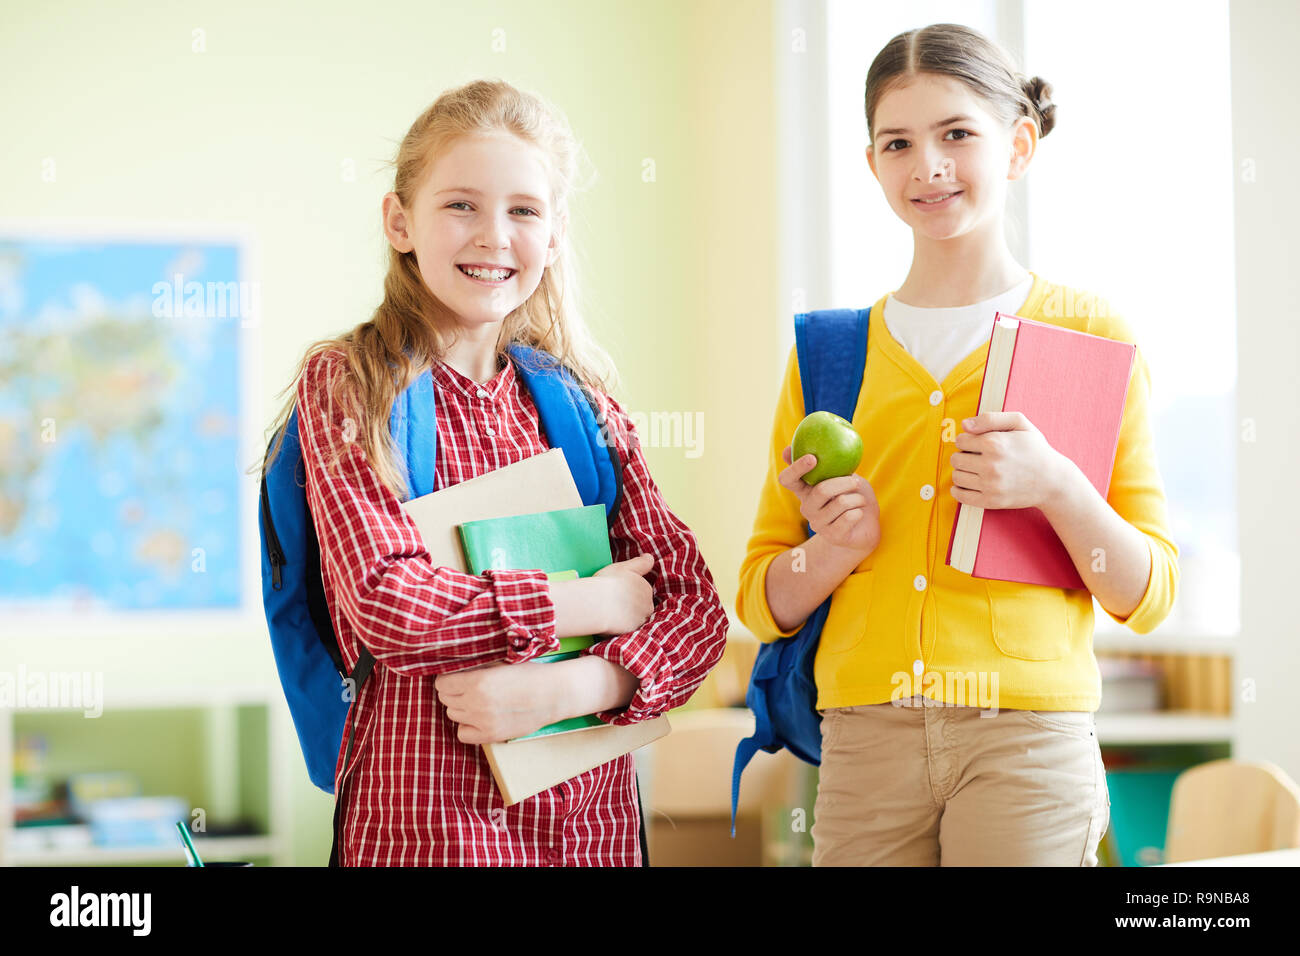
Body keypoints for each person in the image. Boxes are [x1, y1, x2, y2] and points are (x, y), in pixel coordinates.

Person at [736, 23, 1179, 866]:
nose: (927, 166)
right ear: (872, 164)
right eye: (897, 142)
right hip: (861, 740)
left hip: (1028, 743)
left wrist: (1055, 483)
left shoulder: (1088, 335)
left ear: (1016, 146)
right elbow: (762, 597)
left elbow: (1148, 593)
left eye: (956, 135)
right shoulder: (829, 353)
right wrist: (832, 551)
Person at [260, 79, 728, 866]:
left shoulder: (581, 408)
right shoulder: (351, 384)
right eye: (460, 206)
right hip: (421, 827)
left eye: (523, 210)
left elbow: (695, 613)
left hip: (590, 832)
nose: (493, 236)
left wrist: (580, 688)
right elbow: (387, 602)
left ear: (554, 234)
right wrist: (581, 600)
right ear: (400, 221)